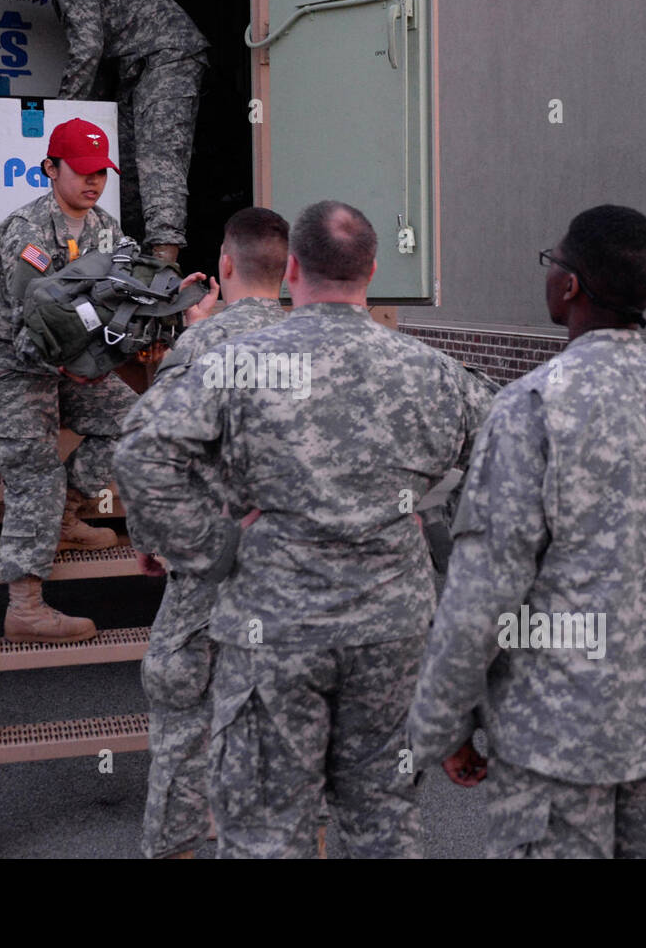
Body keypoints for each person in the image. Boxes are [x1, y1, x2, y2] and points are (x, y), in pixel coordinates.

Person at [114, 200, 496, 858]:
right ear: (372, 270)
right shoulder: (433, 370)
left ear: (293, 269)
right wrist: (427, 524)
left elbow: (140, 451)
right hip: (392, 632)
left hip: (272, 631)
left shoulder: (237, 362)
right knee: (383, 821)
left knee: (266, 829)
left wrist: (205, 544)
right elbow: (506, 460)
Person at [406, 204, 646, 858]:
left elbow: (481, 597)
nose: (550, 272)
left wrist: (445, 726)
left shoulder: (528, 409)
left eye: (553, 261)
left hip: (555, 749)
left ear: (570, 286)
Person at [118, 207, 290, 859]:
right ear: (290, 270)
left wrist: (155, 537)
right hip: (296, 582)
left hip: (209, 577)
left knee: (185, 724)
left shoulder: (200, 348)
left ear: (223, 265)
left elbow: (143, 454)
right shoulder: (311, 344)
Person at [0, 118, 135, 643]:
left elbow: (127, 287)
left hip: (65, 359)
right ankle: (25, 607)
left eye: (100, 172)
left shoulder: (106, 228)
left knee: (136, 419)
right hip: (9, 363)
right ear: (50, 169)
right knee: (36, 472)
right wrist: (80, 360)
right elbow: (33, 322)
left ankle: (65, 519)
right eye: (81, 172)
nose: (93, 182)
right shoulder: (27, 231)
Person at [0, 0, 209, 264]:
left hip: (167, 58)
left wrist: (62, 113)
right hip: (138, 73)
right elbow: (99, 58)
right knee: (126, 169)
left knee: (158, 162)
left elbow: (88, 48)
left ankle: (164, 267)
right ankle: (133, 260)